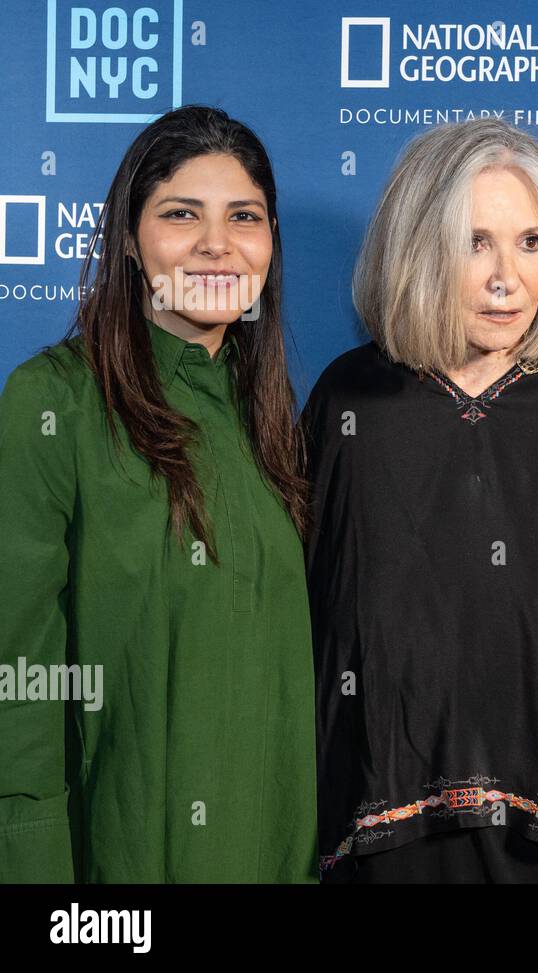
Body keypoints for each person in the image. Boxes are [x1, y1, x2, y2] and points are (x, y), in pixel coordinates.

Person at [306, 118, 538, 884]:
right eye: (476, 242)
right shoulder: (350, 399)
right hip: (385, 847)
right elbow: (313, 627)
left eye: (532, 242)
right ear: (417, 246)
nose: (508, 276)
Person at [0, 105, 316, 882]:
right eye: (181, 214)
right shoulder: (56, 402)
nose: (216, 243)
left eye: (244, 216)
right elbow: (17, 677)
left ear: (270, 242)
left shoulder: (275, 422)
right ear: (131, 239)